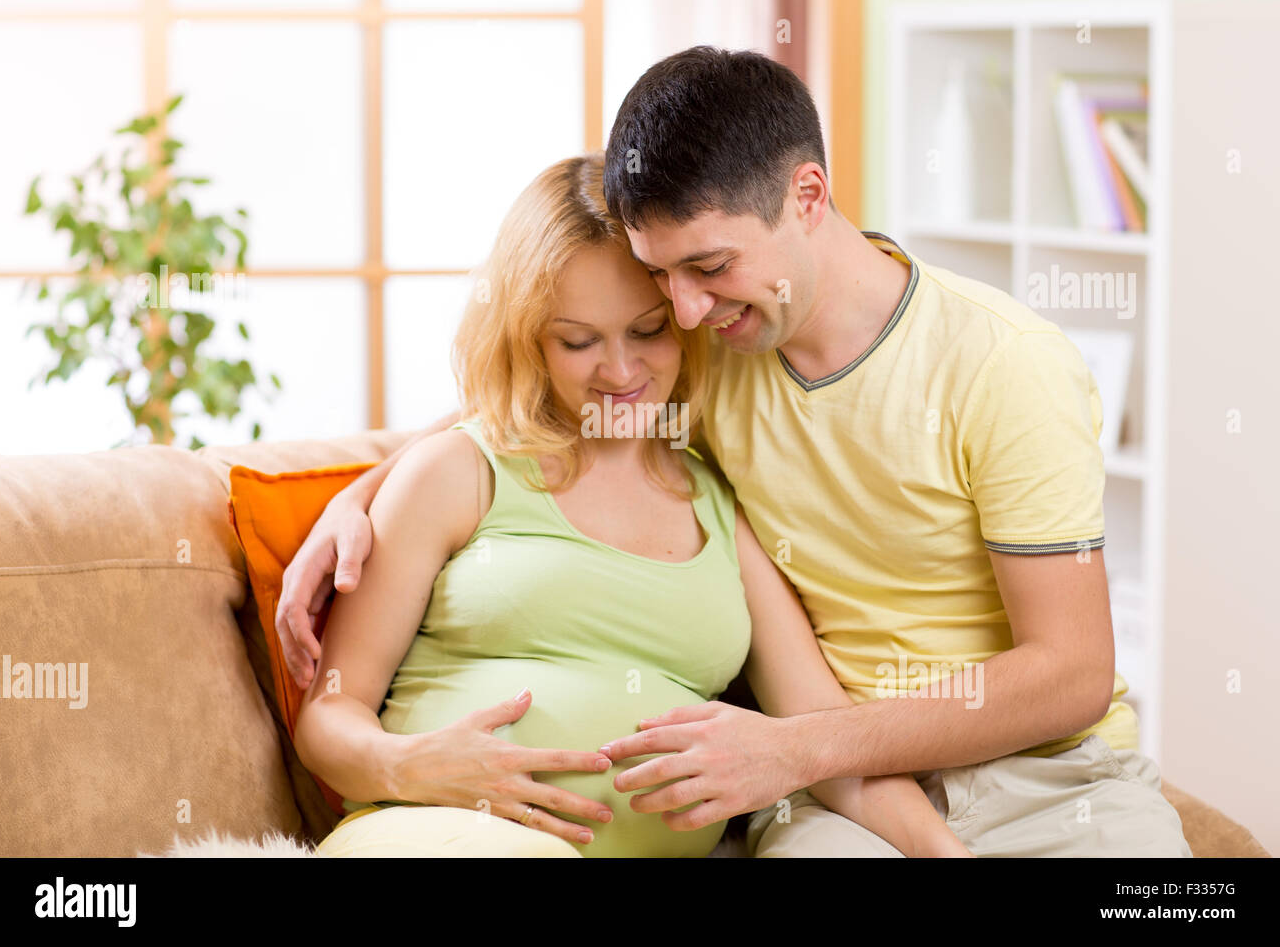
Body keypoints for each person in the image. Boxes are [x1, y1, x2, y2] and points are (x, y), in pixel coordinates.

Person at [283, 48, 1191, 858]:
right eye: (662, 277)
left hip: (1029, 776)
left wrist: (796, 749)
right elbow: (529, 400)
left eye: (708, 269)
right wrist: (359, 494)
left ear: (807, 197)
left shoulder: (1003, 363)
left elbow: (1069, 672)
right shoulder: (704, 346)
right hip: (831, 797)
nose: (680, 312)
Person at [292, 153, 974, 858]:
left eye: (647, 332)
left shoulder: (718, 505)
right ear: (529, 339)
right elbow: (329, 712)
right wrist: (412, 766)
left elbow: (822, 741)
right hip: (437, 834)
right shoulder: (460, 472)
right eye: (578, 341)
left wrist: (945, 853)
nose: (619, 373)